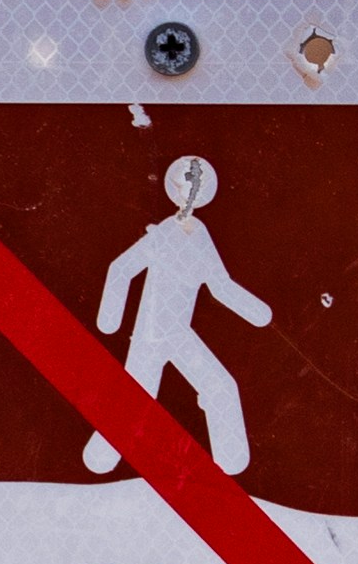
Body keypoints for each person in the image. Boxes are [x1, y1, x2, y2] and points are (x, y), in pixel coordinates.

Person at [85, 153, 272, 474]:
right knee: (136, 400)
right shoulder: (161, 234)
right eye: (186, 188)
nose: (190, 198)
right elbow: (122, 268)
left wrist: (257, 312)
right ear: (175, 191)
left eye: (197, 190)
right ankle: (101, 456)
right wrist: (110, 319)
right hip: (150, 335)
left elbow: (219, 285)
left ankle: (231, 459)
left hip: (178, 333)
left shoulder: (199, 236)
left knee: (221, 387)